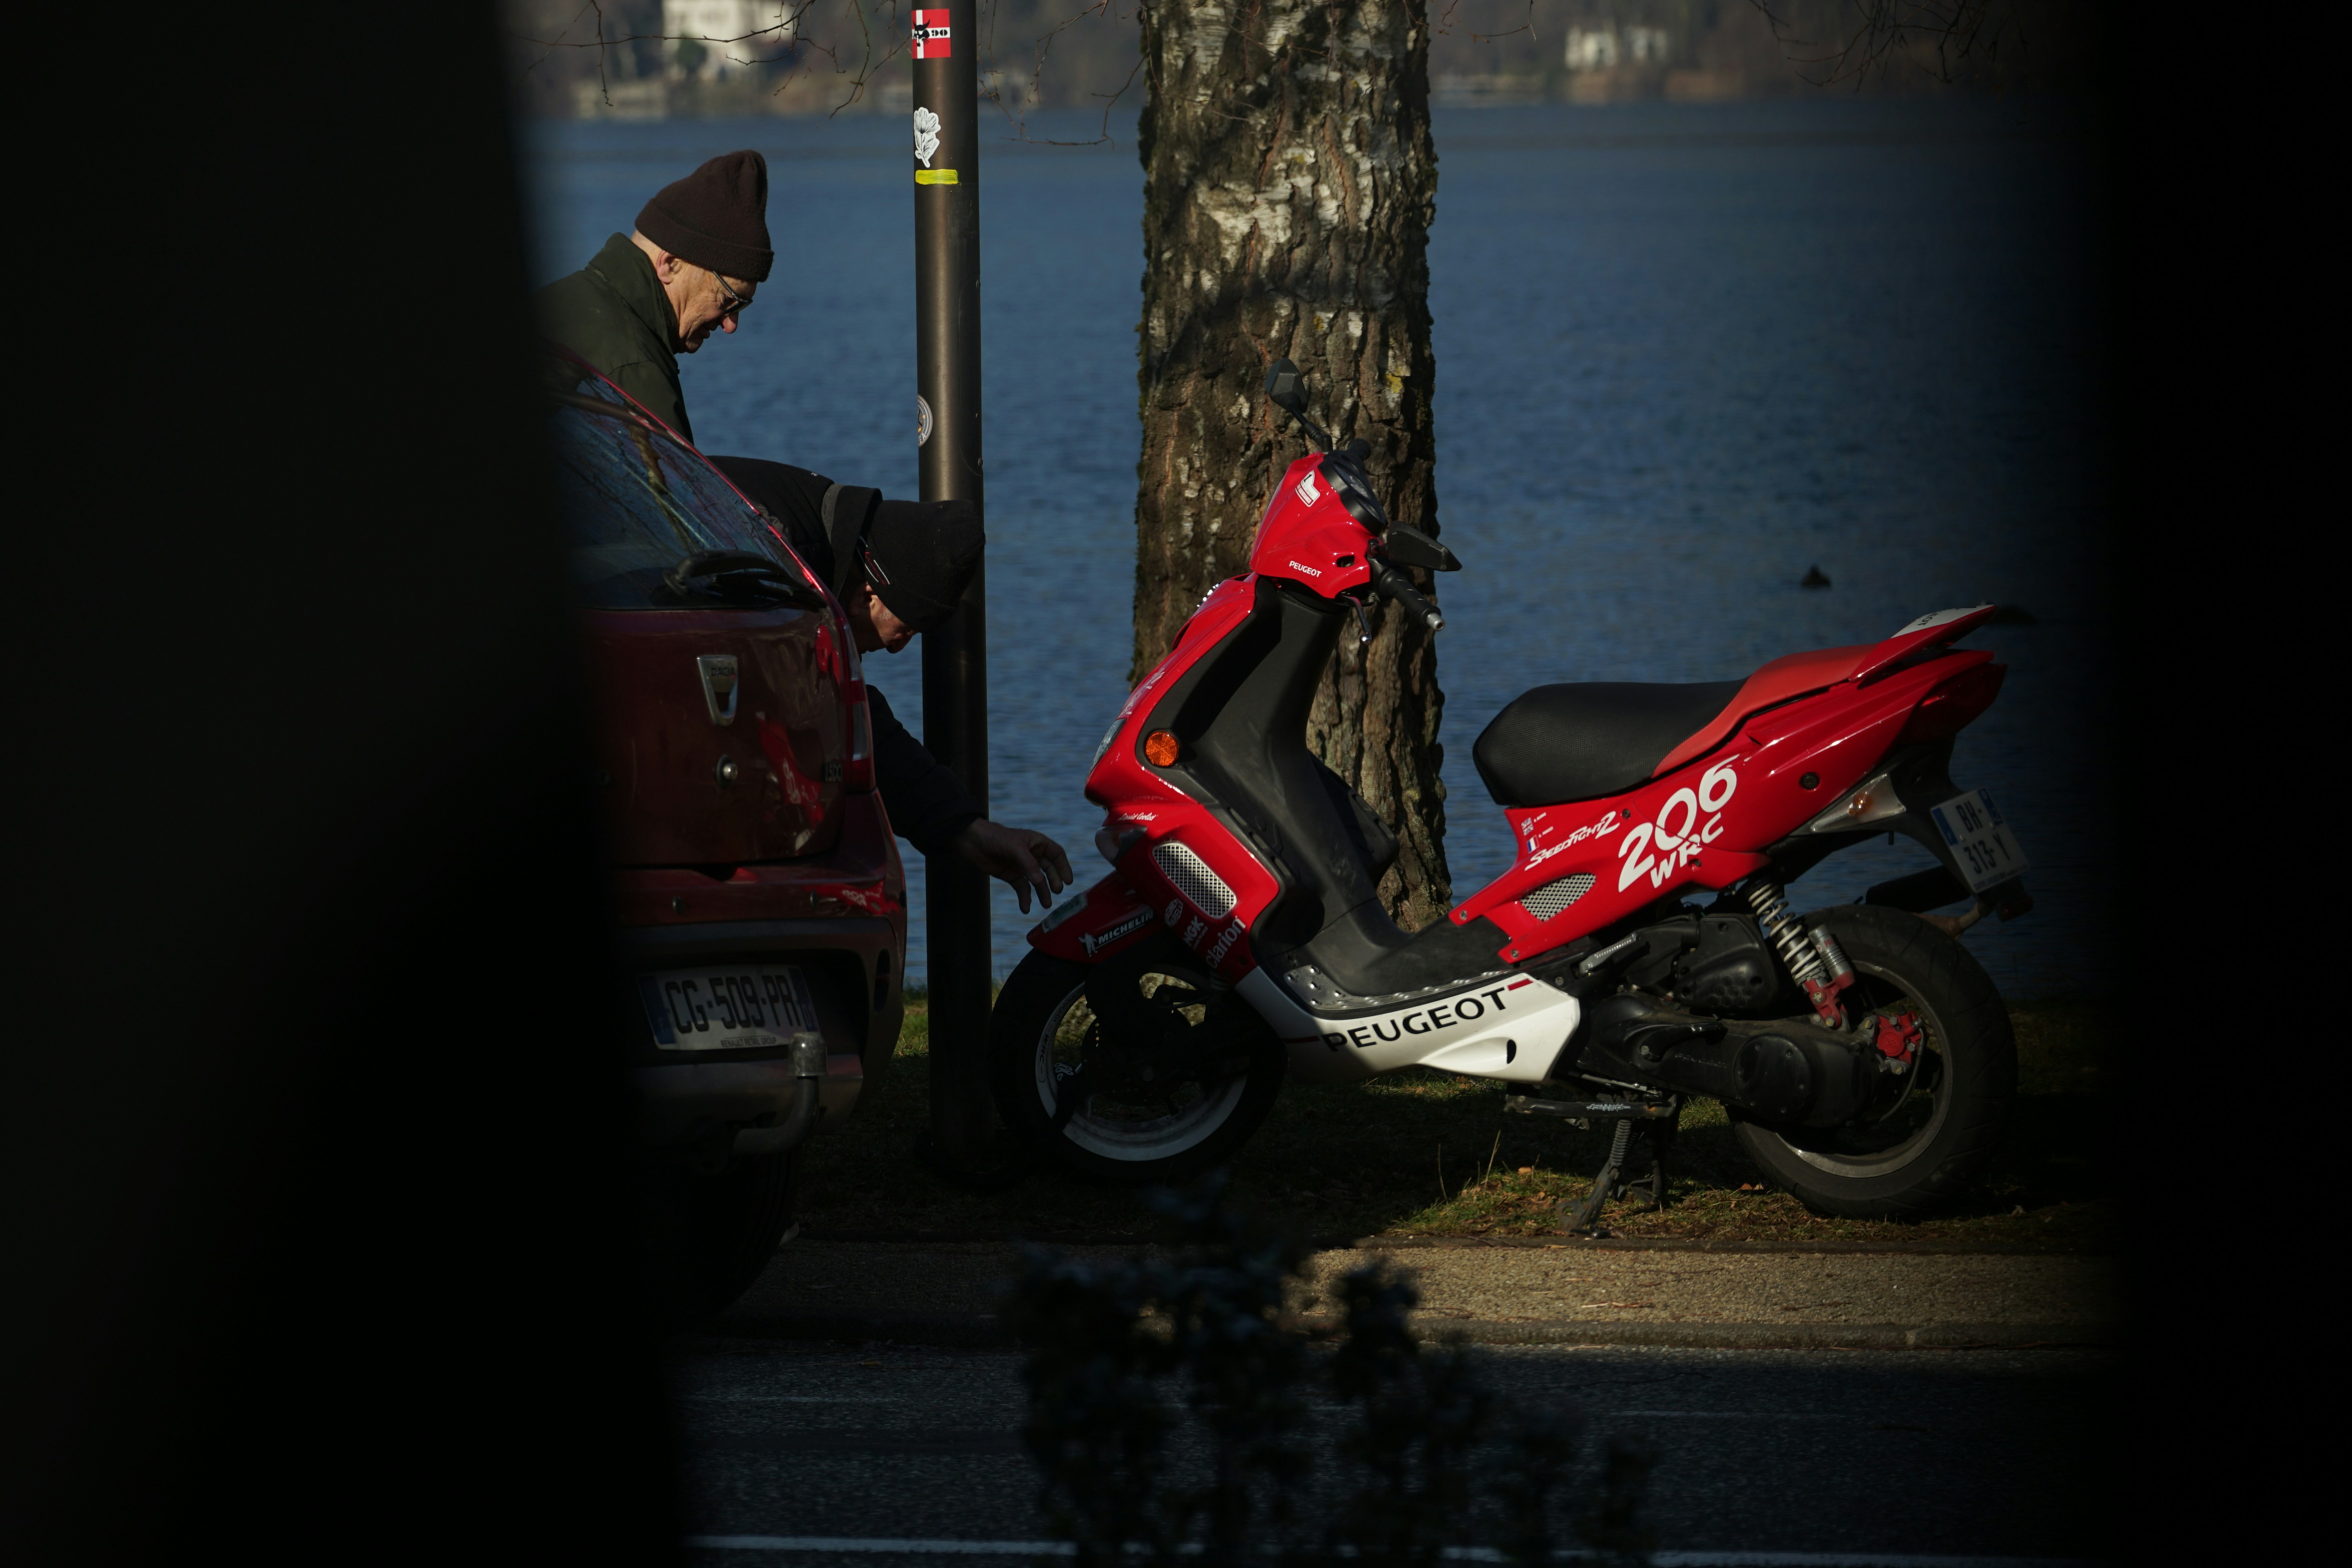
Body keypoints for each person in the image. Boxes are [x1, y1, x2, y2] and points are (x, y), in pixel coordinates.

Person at [707, 457, 1073, 913]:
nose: (899, 649)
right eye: (905, 630)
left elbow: (846, 708)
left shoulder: (817, 542)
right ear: (868, 596)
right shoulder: (776, 549)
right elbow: (836, 704)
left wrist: (965, 827)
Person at [535, 149, 770, 446]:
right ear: (670, 265)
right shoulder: (633, 365)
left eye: (742, 306)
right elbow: (676, 490)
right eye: (727, 300)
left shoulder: (562, 297)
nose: (731, 325)